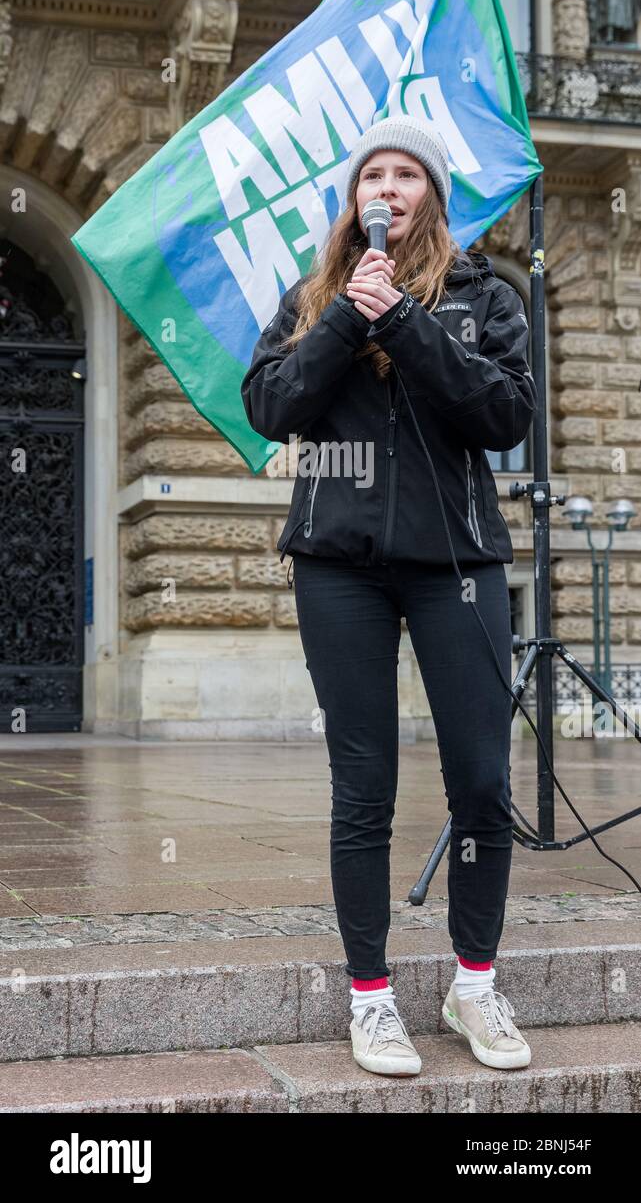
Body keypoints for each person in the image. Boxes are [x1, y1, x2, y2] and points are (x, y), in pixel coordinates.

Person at [241, 113, 537, 1077]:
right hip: (338, 564)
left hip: (457, 562)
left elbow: (502, 415)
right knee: (362, 787)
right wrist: (344, 320)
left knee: (483, 784)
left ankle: (474, 984)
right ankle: (370, 999)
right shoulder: (310, 295)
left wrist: (405, 324)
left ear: (432, 197)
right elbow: (272, 408)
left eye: (408, 173)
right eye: (375, 173)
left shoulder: (482, 295)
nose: (390, 187)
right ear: (354, 199)